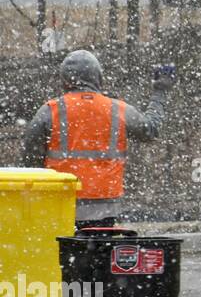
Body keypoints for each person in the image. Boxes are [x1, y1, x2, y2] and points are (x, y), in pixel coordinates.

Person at [22, 50, 176, 228]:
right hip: (105, 208)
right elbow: (150, 130)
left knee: (61, 253)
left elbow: (30, 160)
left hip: (60, 203)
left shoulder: (50, 111)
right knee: (100, 254)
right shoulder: (116, 110)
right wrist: (160, 92)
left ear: (64, 80)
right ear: (98, 78)